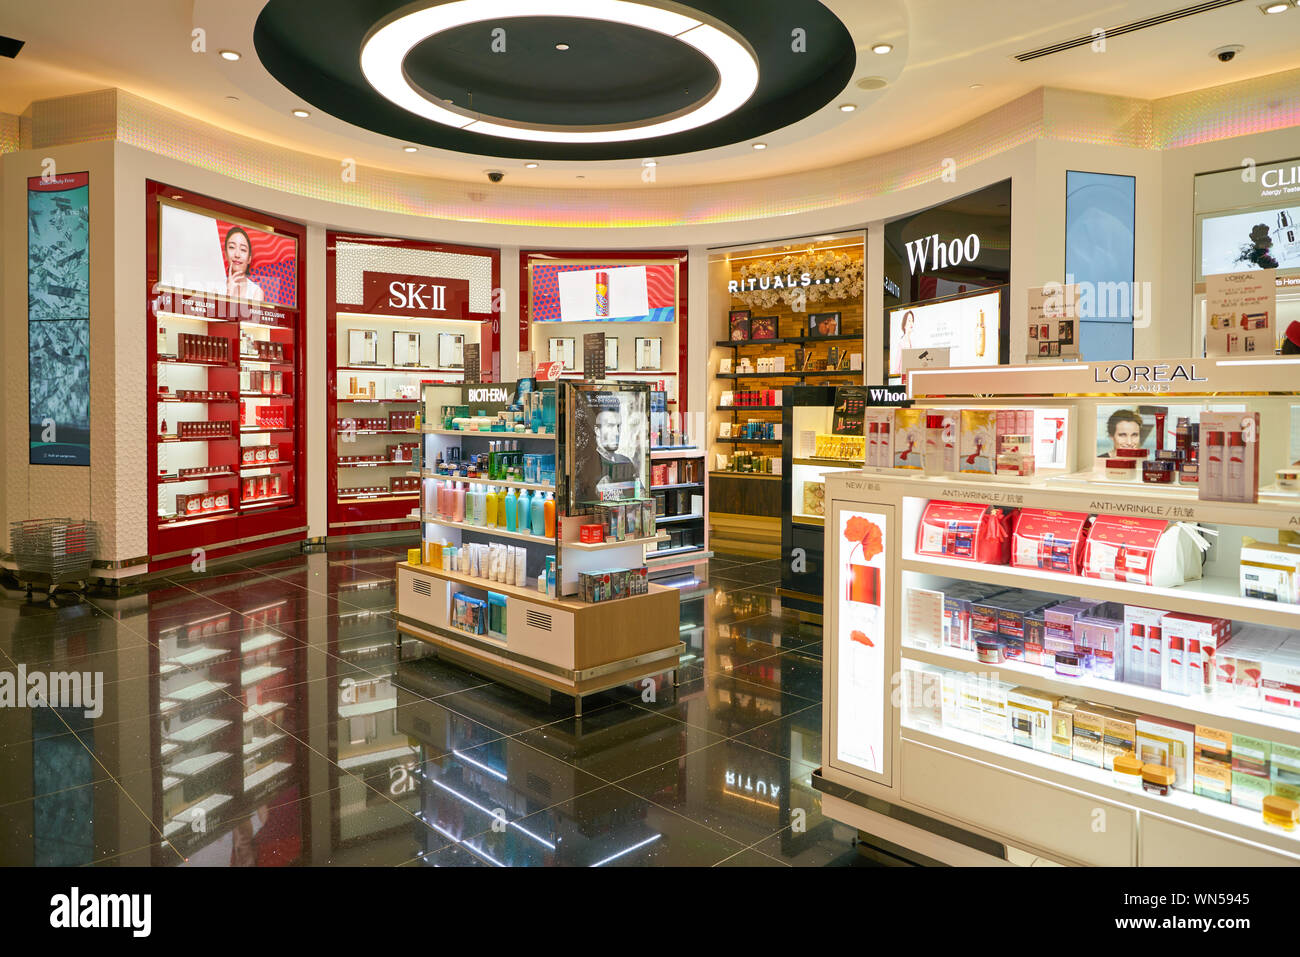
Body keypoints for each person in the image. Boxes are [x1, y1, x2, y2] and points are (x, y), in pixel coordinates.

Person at [224, 225, 265, 302]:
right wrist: (229, 293)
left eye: (243, 249)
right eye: (232, 247)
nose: (237, 255)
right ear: (225, 254)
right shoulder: (215, 288)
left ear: (249, 258)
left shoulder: (256, 292)